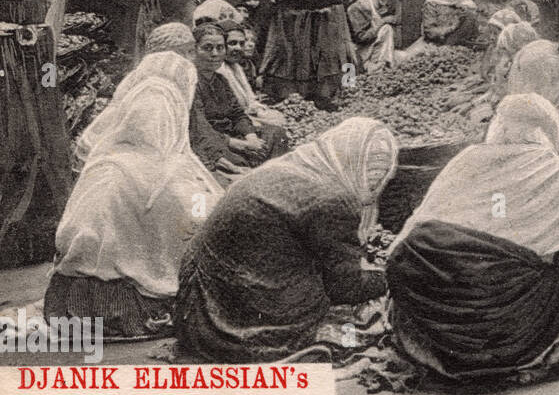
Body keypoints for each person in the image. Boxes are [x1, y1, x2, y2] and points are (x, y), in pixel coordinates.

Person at [386, 95, 559, 381]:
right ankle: (512, 344)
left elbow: (406, 242)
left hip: (428, 317)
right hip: (501, 322)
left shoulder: (464, 161)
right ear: (547, 134)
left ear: (499, 127)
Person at [175, 118, 398, 362]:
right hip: (247, 329)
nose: (374, 183)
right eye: (371, 170)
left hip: (199, 312)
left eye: (381, 173)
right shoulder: (334, 200)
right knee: (372, 311)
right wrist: (390, 276)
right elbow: (346, 288)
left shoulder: (294, 164)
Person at [44, 56, 223, 339]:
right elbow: (199, 220)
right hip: (132, 295)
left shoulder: (104, 161)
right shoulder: (169, 173)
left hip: (72, 296)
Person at [0, 0, 109, 259]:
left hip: (42, 56)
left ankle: (58, 228)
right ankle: (10, 233)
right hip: (6, 57)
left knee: (51, 134)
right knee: (18, 139)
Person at [135, 25, 245, 177]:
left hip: (198, 150)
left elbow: (196, 127)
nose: (190, 60)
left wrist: (219, 158)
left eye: (190, 52)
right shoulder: (152, 91)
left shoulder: (184, 85)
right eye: (182, 54)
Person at [193, 22, 289, 165]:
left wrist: (251, 137)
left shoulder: (220, 80)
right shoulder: (191, 82)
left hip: (233, 134)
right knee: (236, 160)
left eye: (220, 48)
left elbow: (237, 113)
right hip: (214, 140)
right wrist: (241, 145)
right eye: (207, 48)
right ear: (194, 50)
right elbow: (200, 128)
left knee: (276, 133)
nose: (215, 54)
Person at [397, 0, 479, 63]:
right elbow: (429, 31)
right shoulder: (432, 3)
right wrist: (451, 28)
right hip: (435, 43)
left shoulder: (466, 3)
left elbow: (474, 29)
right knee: (409, 59)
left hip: (460, 44)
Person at [218, 21, 286, 128]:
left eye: (241, 43)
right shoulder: (217, 71)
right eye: (232, 43)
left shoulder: (236, 68)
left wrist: (258, 110)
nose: (238, 48)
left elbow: (249, 101)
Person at [347, 0, 398, 73]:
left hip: (370, 48)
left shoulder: (371, 10)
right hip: (359, 51)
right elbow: (362, 38)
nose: (379, 6)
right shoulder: (354, 10)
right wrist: (382, 21)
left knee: (387, 29)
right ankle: (374, 65)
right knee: (386, 29)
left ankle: (383, 64)